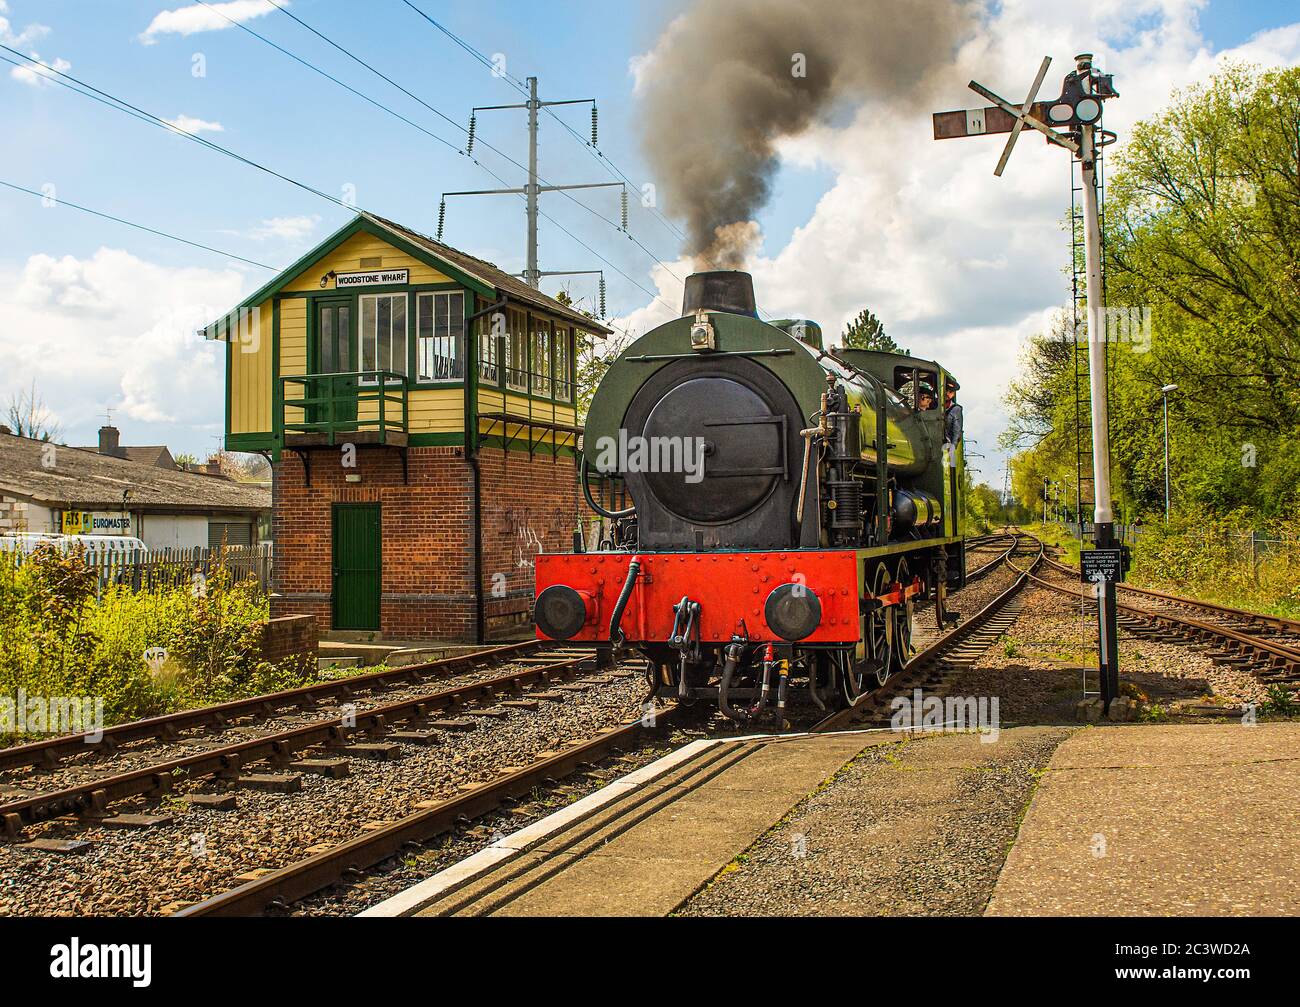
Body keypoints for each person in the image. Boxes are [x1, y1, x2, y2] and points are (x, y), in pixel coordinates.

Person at [943, 379, 963, 450]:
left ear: (953, 394)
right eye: (946, 390)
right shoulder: (933, 405)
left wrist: (952, 447)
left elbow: (957, 430)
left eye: (950, 392)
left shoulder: (956, 409)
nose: (947, 394)